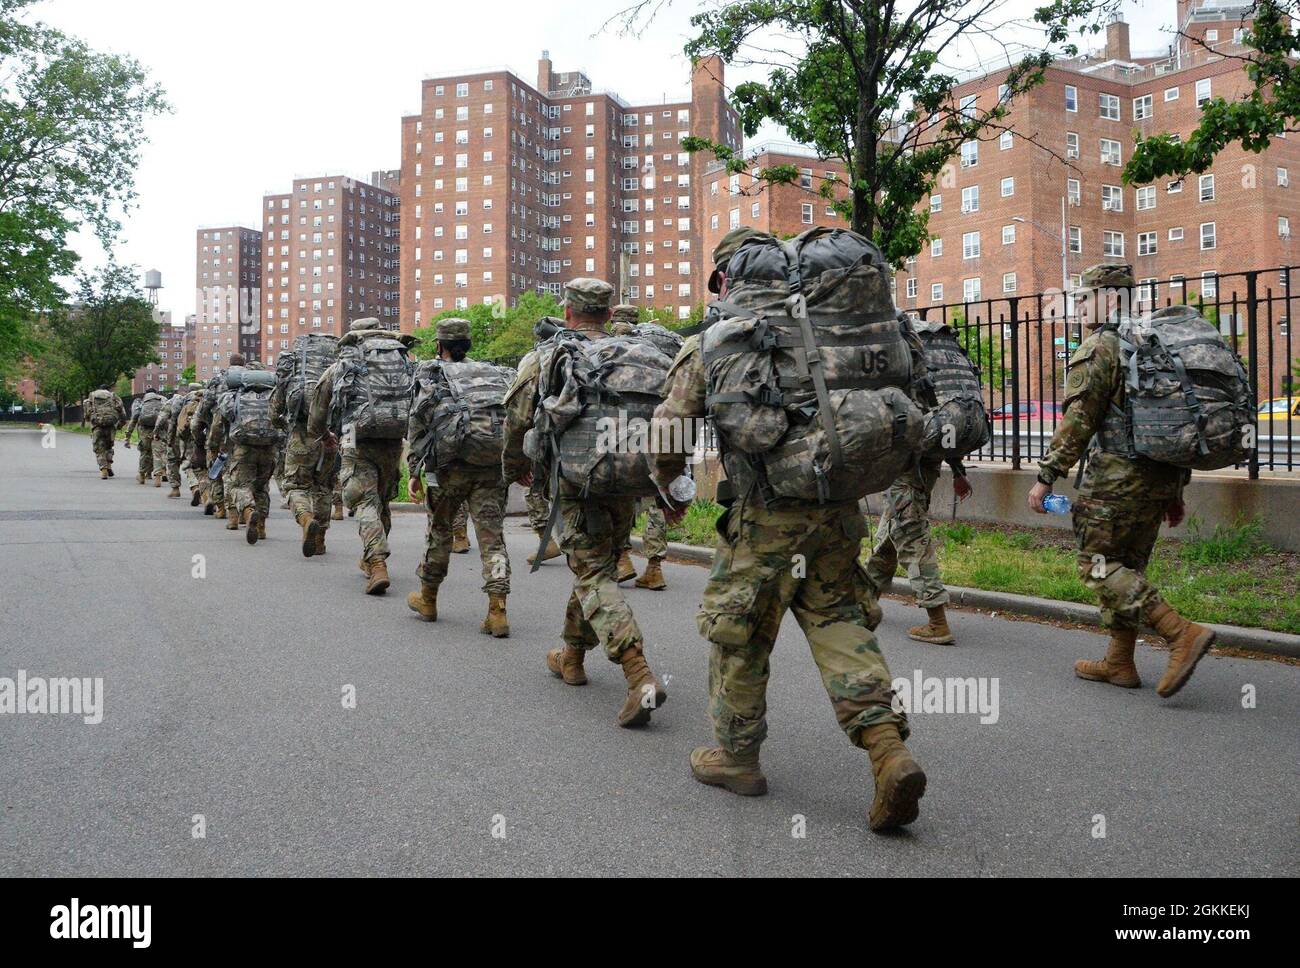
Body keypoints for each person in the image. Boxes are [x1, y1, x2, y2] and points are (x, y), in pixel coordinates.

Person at [652, 226, 926, 832]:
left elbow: (669, 428)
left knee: (740, 634)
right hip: (837, 508)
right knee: (839, 623)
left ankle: (737, 758)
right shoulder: (839, 329)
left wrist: (667, 486)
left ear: (729, 278)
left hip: (764, 516)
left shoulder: (720, 339)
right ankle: (888, 752)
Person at [1028, 263, 1215, 698]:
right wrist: (1175, 490)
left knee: (1096, 566)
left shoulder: (1101, 347)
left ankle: (1180, 633)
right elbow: (1178, 418)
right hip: (1158, 479)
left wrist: (1045, 477)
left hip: (1115, 480)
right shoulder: (1152, 342)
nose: (1077, 305)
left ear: (1110, 299)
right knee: (1128, 567)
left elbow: (1079, 422)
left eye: (1085, 296)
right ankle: (1119, 661)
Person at [503, 278, 667, 729]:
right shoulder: (644, 355)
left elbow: (515, 421)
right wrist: (672, 484)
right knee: (597, 566)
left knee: (593, 573)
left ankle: (639, 675)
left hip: (578, 483)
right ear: (609, 313)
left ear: (569, 312)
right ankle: (571, 657)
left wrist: (513, 468)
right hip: (630, 480)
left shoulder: (550, 355)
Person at [406, 318, 512, 637]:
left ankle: (428, 599)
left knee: (439, 532)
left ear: (439, 345)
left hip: (449, 468)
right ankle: (497, 610)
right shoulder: (492, 373)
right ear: (467, 345)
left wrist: (414, 471)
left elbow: (418, 423)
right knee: (493, 538)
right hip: (492, 466)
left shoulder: (432, 373)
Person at [308, 318, 416, 596]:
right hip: (392, 438)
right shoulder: (401, 360)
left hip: (354, 436)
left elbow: (318, 409)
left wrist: (322, 435)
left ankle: (377, 561)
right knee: (382, 502)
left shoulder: (344, 364)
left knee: (365, 501)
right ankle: (372, 558)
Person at [863, 459, 973, 643]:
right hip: (919, 476)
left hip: (905, 480)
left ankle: (938, 624)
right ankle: (864, 606)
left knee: (913, 546)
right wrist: (958, 472)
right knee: (887, 541)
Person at [270, 338, 340, 559]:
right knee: (324, 487)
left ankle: (306, 518)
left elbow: (275, 412)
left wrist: (285, 426)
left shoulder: (294, 377)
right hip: (330, 440)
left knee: (295, 486)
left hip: (301, 436)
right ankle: (320, 541)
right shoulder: (337, 372)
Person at [207, 363, 276, 545]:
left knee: (239, 485)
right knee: (261, 487)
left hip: (242, 448)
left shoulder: (231, 397)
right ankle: (261, 526)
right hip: (269, 448)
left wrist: (213, 447)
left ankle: (247, 511)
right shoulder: (273, 396)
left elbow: (217, 426)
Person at [82, 385, 127, 479]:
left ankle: (103, 469)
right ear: (107, 389)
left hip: (97, 426)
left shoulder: (92, 396)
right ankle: (109, 465)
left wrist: (90, 419)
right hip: (111, 425)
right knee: (109, 446)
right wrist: (120, 424)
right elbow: (122, 412)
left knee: (99, 448)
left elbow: (87, 413)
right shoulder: (113, 396)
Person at [123, 386, 164, 484]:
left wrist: (127, 436)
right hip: (158, 431)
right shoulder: (161, 402)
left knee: (144, 452)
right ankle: (157, 477)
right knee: (157, 453)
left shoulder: (141, 403)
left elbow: (134, 420)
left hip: (144, 431)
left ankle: (141, 475)